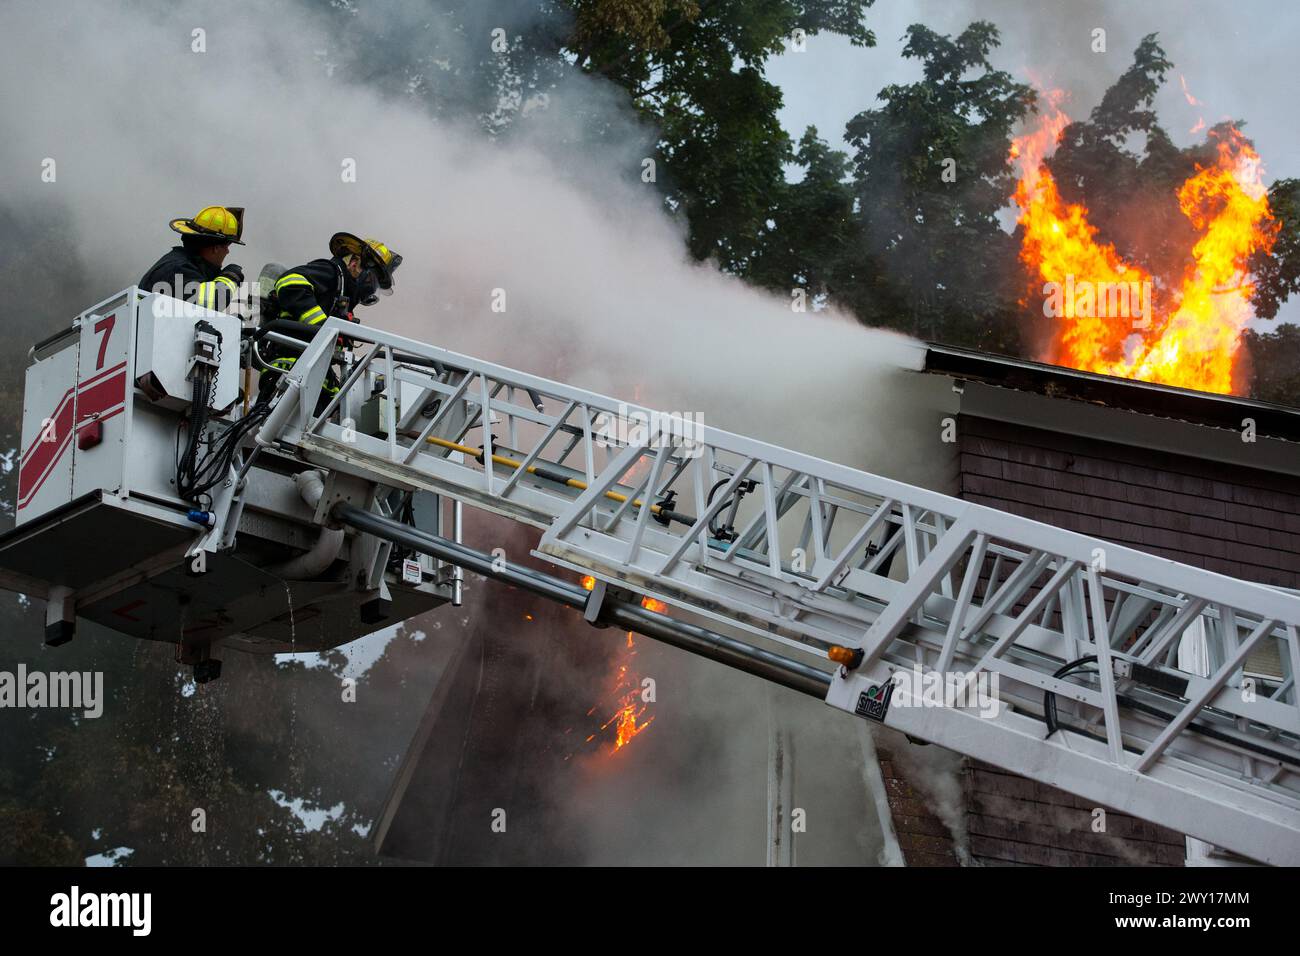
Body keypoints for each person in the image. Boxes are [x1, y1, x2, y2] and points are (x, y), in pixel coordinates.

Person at [258, 232, 401, 408]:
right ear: (355, 263)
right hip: (288, 369)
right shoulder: (332, 272)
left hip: (308, 375)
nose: (372, 287)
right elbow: (289, 282)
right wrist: (323, 328)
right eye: (373, 278)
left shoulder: (342, 294)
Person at [139, 205, 246, 310]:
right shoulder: (178, 269)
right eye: (227, 246)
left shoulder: (185, 264)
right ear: (216, 248)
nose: (227, 252)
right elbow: (215, 300)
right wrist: (230, 277)